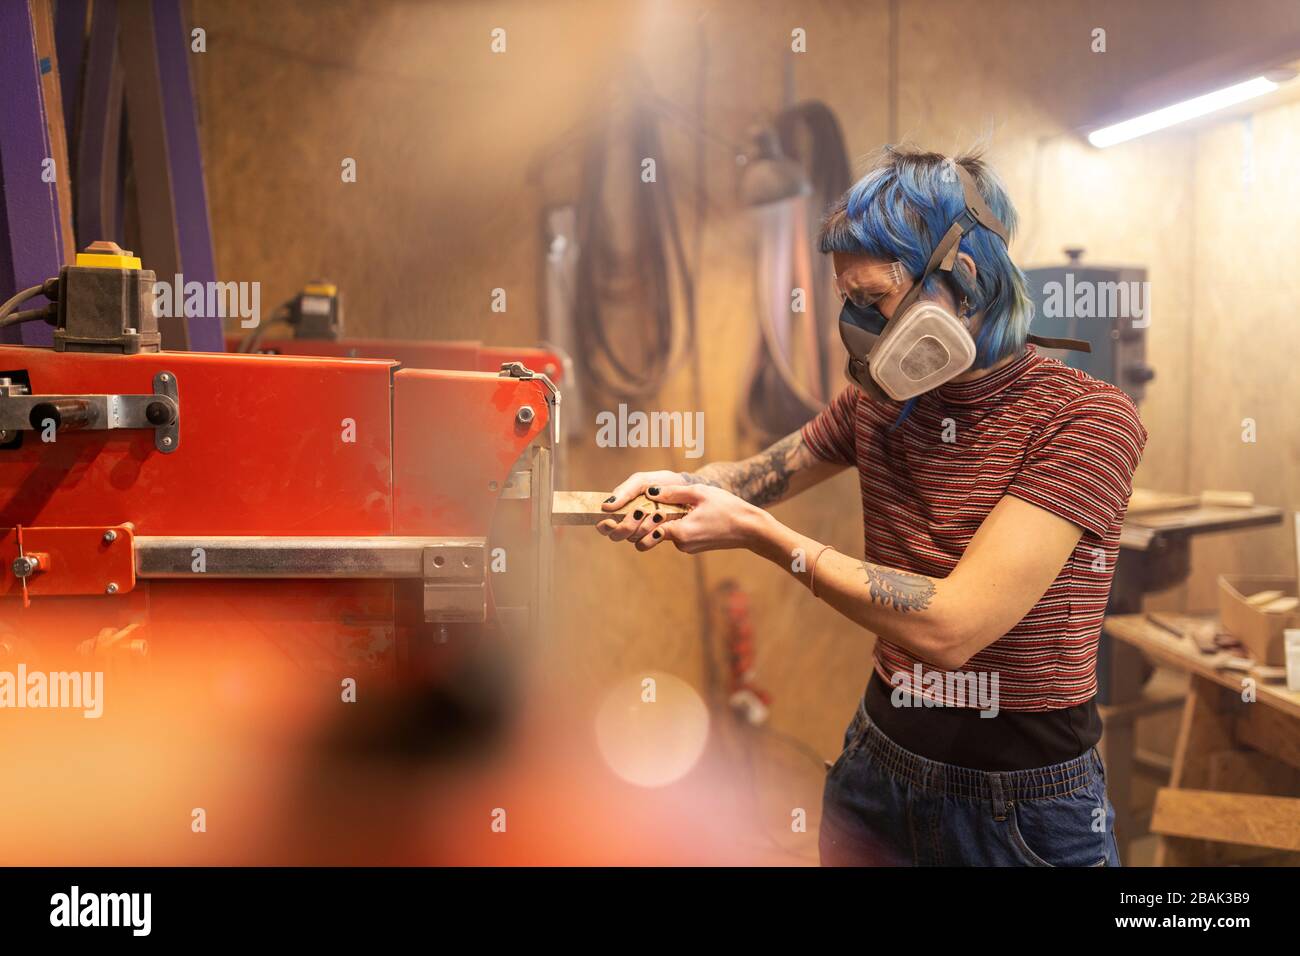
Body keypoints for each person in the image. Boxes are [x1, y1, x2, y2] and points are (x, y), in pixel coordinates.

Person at [596, 145, 1147, 866]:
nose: (858, 326)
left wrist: (764, 537)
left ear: (964, 279)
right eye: (848, 303)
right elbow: (766, 473)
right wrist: (678, 486)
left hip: (1023, 808)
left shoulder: (1085, 420)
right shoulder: (883, 401)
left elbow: (953, 626)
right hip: (879, 768)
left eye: (875, 301)